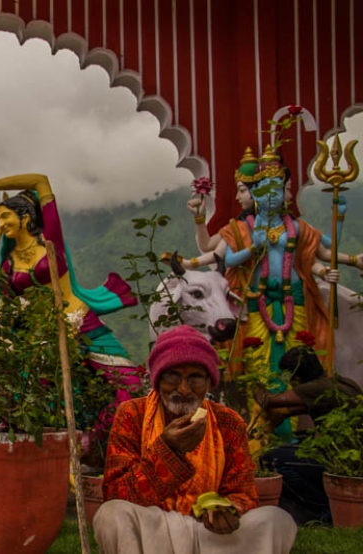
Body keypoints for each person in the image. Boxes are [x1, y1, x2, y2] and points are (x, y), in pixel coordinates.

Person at [0, 172, 140, 462]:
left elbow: (41, 181)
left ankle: (111, 444)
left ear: (25, 217)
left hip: (80, 322)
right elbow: (5, 304)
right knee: (33, 401)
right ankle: (56, 459)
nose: (1, 226)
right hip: (38, 338)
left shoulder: (51, 242)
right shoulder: (8, 263)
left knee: (130, 384)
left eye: (5, 217)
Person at [95, 325, 297, 554]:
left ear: (209, 383)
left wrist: (228, 511)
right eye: (172, 376)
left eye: (195, 378)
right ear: (158, 380)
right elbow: (115, 494)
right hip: (154, 530)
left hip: (210, 536)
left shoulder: (228, 422)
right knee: (111, 514)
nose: (183, 389)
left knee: (275, 519)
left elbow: (243, 495)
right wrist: (167, 450)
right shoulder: (133, 414)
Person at [222, 146, 363, 436]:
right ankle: (260, 433)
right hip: (258, 302)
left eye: (278, 188)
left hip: (295, 302)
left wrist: (341, 226)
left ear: (287, 192)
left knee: (297, 364)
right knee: (259, 365)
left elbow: (325, 252)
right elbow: (229, 260)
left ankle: (293, 432)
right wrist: (252, 248)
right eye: (264, 188)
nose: (271, 194)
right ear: (256, 193)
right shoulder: (244, 229)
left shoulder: (298, 227)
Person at [258, 346, 363, 524]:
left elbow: (268, 400)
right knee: (294, 447)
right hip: (352, 459)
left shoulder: (315, 388)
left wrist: (254, 382)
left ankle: (322, 507)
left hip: (343, 461)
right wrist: (282, 415)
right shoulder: (341, 382)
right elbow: (298, 408)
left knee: (271, 458)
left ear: (296, 379)